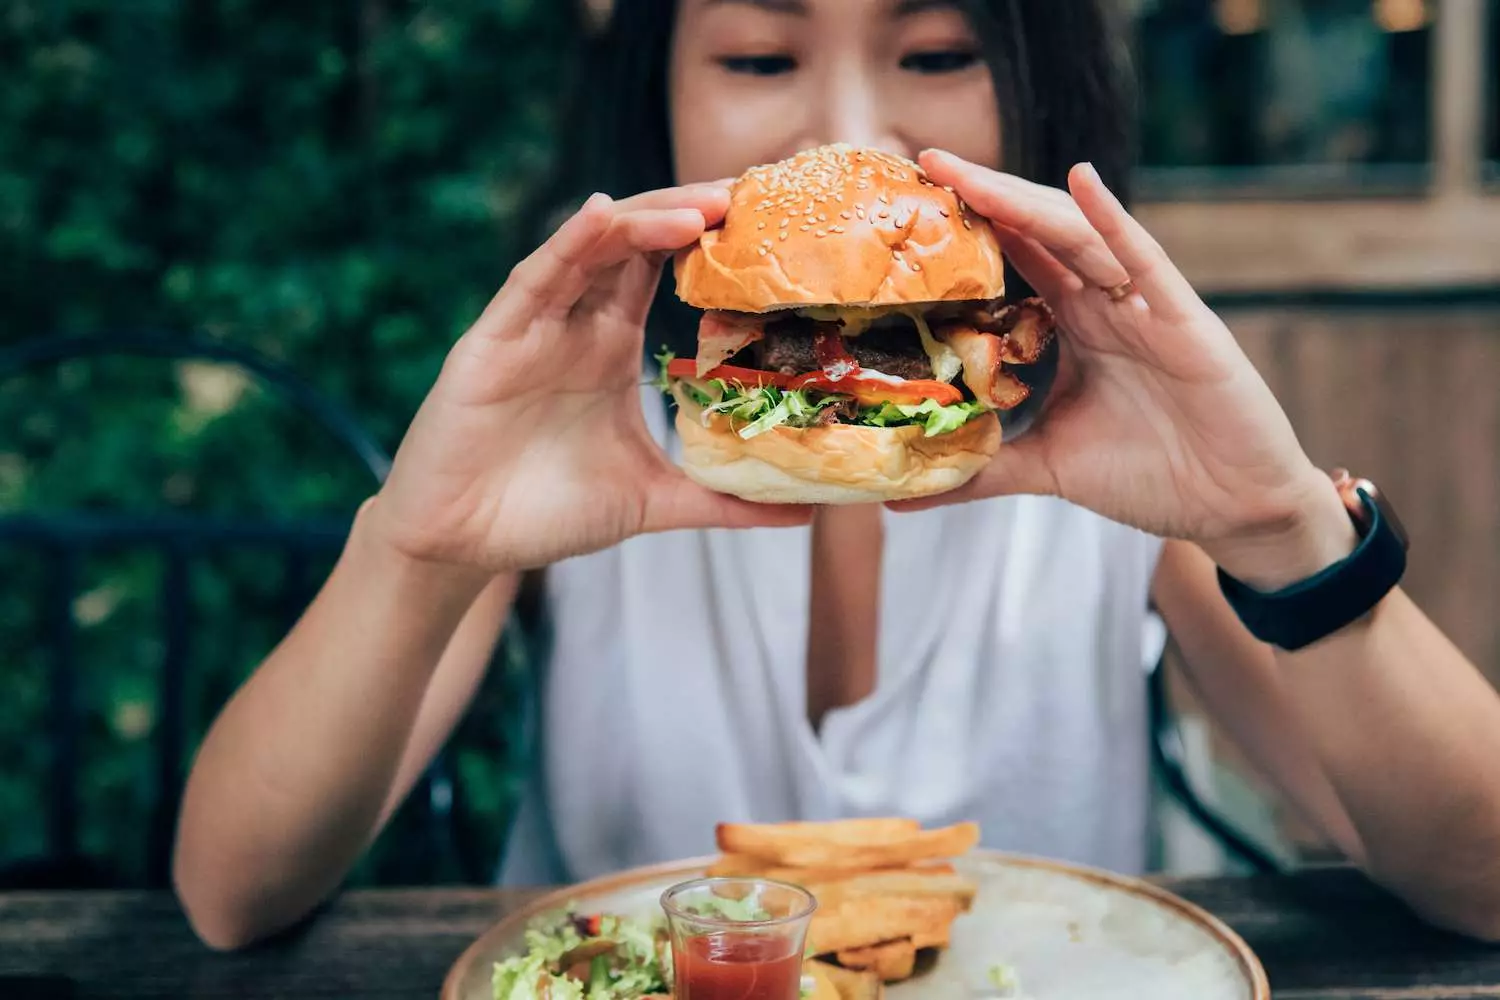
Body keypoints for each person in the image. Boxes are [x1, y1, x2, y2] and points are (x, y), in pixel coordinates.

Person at [172, 0, 1500, 951]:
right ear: (658, 92)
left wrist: (1284, 531)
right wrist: (419, 546)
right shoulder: (575, 439)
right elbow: (234, 897)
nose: (851, 133)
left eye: (934, 51)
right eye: (761, 53)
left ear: (1034, 85)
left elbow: (1483, 886)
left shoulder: (1113, 470)